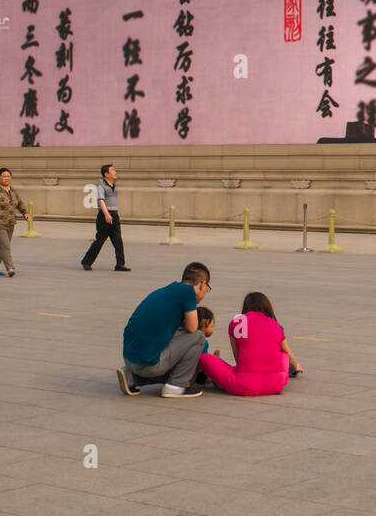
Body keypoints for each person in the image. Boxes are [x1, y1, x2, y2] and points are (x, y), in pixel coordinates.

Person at [116, 261, 212, 398]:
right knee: (199, 338)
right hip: (147, 364)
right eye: (207, 288)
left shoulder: (167, 291)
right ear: (203, 284)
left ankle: (132, 377)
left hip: (130, 359)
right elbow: (192, 328)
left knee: (176, 359)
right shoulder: (188, 292)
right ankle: (176, 386)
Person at [197, 291, 302, 397]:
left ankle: (209, 379)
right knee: (283, 354)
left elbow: (238, 359)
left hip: (245, 385)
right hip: (276, 385)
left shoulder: (238, 322)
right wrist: (295, 367)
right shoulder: (275, 325)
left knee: (203, 357)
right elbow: (288, 353)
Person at [81, 163, 129, 271]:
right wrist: (107, 214)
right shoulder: (101, 186)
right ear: (106, 174)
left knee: (118, 241)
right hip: (104, 216)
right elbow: (101, 200)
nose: (115, 172)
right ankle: (86, 261)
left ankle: (120, 264)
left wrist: (113, 215)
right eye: (113, 170)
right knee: (99, 241)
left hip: (114, 215)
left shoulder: (113, 186)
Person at [0, 167, 28, 277]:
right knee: (6, 245)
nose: (7, 178)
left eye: (8, 176)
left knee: (1, 246)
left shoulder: (12, 191)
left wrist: (25, 213)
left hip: (10, 222)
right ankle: (10, 268)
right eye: (4, 176)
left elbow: (20, 203)